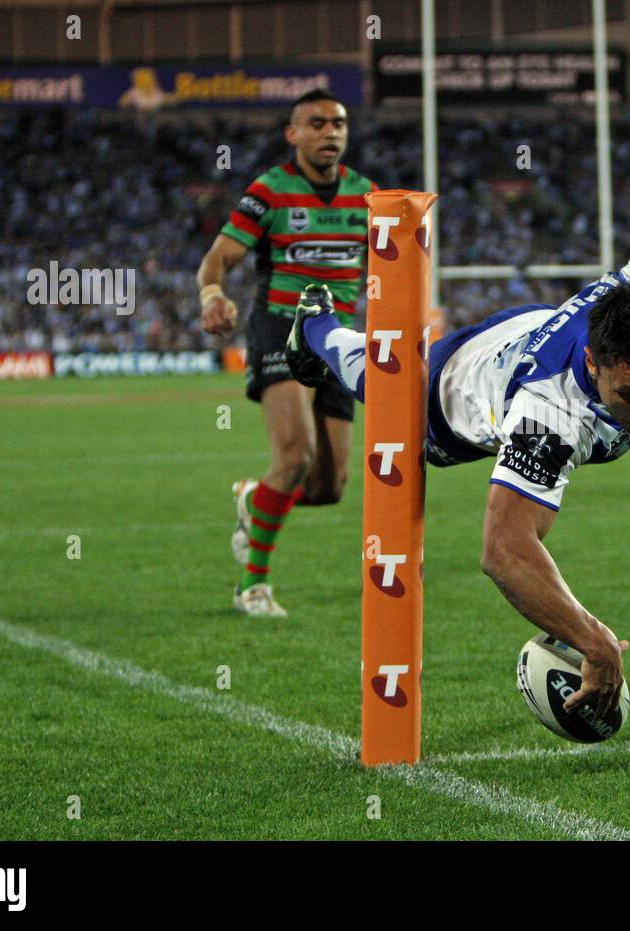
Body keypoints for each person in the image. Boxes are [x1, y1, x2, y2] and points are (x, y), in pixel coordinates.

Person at [286, 233, 630, 718]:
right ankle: (315, 326)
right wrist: (593, 641)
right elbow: (504, 552)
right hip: (453, 393)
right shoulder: (550, 416)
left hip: (529, 328)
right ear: (594, 363)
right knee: (381, 382)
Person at [197, 88, 377, 617]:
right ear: (293, 134)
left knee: (329, 487)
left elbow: (396, 262)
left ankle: (257, 499)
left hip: (339, 340)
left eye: (338, 123)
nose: (330, 133)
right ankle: (252, 585)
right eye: (317, 123)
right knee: (295, 456)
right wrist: (212, 296)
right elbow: (218, 259)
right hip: (282, 327)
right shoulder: (270, 191)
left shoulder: (366, 196)